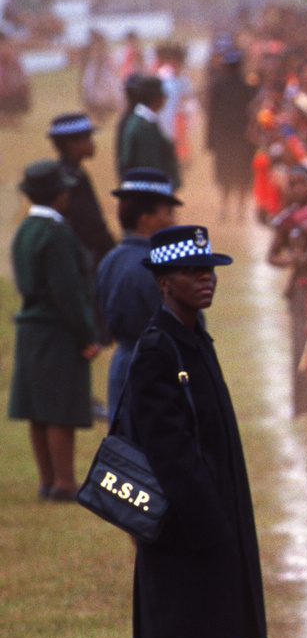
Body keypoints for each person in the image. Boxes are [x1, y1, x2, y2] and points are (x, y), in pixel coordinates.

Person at [125, 225, 265, 638]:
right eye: (191, 272)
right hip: (182, 517)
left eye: (210, 270)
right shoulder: (160, 346)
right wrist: (207, 521)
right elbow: (167, 448)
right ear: (163, 282)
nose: (205, 279)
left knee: (183, 627)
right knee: (182, 629)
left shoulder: (190, 333)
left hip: (198, 510)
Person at [9, 161, 101, 500]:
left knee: (37, 408)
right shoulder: (57, 232)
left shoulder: (26, 229)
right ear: (59, 195)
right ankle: (65, 482)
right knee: (60, 408)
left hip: (31, 328)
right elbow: (68, 291)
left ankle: (46, 480)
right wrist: (87, 334)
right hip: (58, 329)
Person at [96, 168, 181, 414]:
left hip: (121, 366)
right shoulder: (156, 268)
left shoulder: (110, 260)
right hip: (158, 371)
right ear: (146, 220)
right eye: (168, 213)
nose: (174, 221)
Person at [48, 113, 115, 264]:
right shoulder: (71, 180)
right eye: (88, 139)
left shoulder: (73, 173)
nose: (93, 144)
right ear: (71, 144)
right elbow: (89, 225)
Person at [206, 50, 258, 221]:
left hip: (225, 137)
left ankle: (225, 209)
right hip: (242, 138)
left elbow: (211, 117)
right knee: (242, 175)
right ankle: (239, 211)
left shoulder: (217, 88)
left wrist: (211, 141)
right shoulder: (249, 88)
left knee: (226, 175)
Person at [117, 76, 180, 188]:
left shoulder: (143, 121)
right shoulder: (143, 126)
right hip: (147, 192)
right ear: (156, 99)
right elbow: (149, 164)